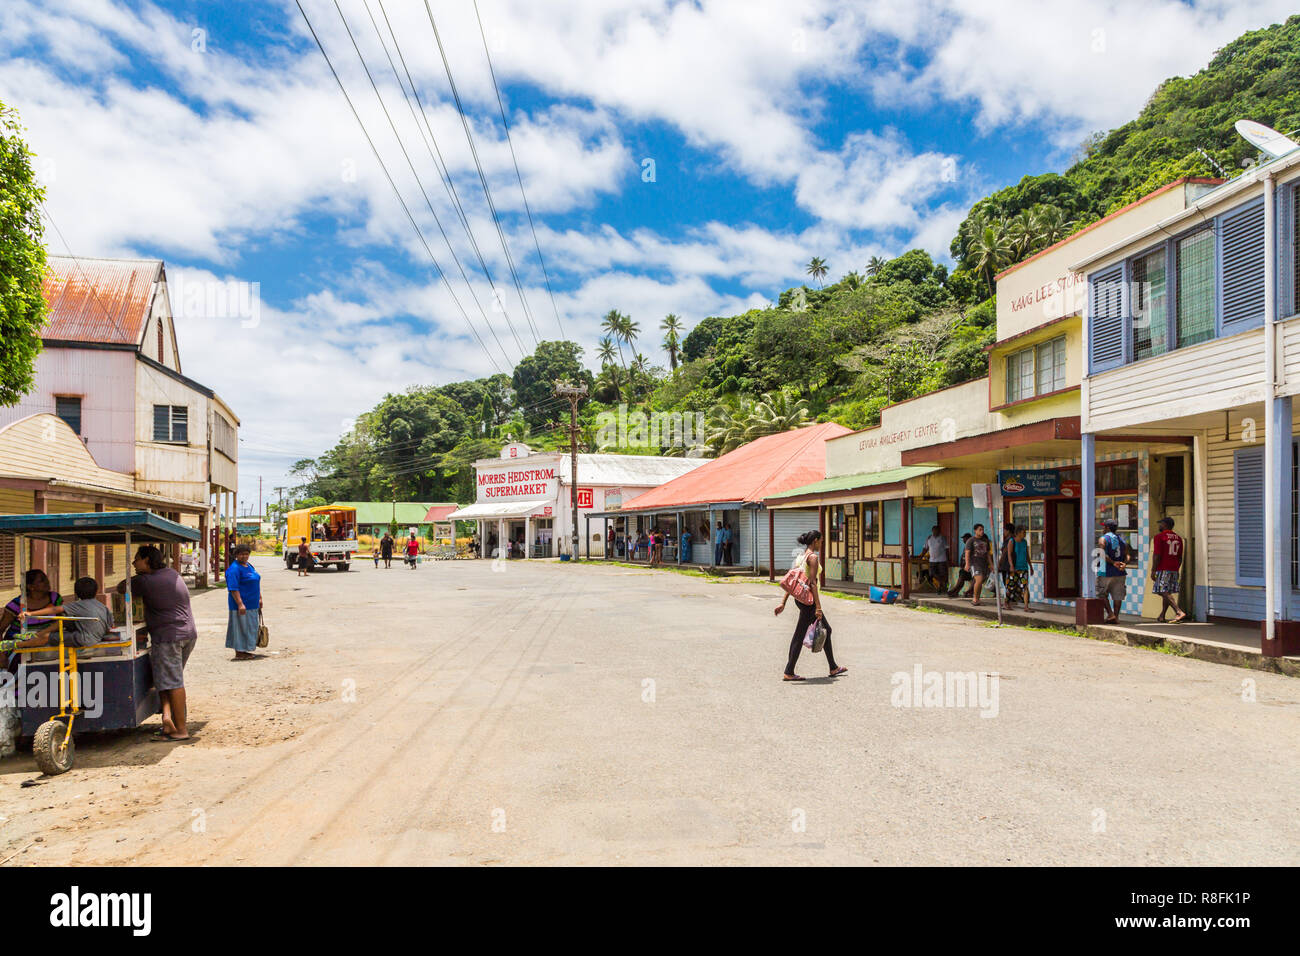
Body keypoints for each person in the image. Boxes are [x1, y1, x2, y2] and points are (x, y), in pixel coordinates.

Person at [117, 545, 198, 741]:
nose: (133, 564)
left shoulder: (145, 581)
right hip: (187, 633)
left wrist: (135, 577)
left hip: (169, 636)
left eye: (136, 559)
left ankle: (181, 730)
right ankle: (168, 719)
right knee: (166, 680)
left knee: (173, 682)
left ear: (146, 560)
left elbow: (121, 588)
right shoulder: (171, 573)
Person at [775, 530, 847, 682]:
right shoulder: (812, 558)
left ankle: (833, 667)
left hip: (801, 600)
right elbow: (812, 583)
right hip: (809, 602)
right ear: (815, 540)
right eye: (821, 541)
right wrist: (818, 607)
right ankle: (789, 671)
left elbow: (795, 582)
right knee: (800, 634)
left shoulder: (801, 557)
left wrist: (783, 602)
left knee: (826, 629)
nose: (822, 544)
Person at [13, 576, 111, 650]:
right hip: (96, 637)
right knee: (65, 620)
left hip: (85, 639)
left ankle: (18, 645)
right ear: (96, 591)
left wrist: (31, 614)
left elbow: (55, 610)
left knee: (48, 637)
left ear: (76, 593)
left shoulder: (78, 605)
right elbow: (109, 626)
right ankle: (37, 635)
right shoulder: (102, 606)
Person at [225, 544, 263, 661]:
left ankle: (245, 649)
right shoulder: (234, 569)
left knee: (250, 627)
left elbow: (255, 582)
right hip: (241, 605)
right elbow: (233, 588)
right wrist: (240, 603)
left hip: (252, 604)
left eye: (246, 554)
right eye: (241, 554)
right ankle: (240, 652)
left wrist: (260, 598)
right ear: (236, 555)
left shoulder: (249, 566)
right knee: (240, 628)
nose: (244, 556)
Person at [1150, 517, 1187, 623]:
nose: (1159, 526)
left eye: (1160, 524)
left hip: (1163, 568)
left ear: (1165, 524)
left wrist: (1153, 570)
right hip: (1174, 568)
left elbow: (1157, 554)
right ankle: (1162, 615)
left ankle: (1178, 611)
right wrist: (1176, 568)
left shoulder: (1159, 537)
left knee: (1162, 590)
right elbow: (1180, 557)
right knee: (1167, 592)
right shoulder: (1178, 538)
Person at [1098, 518, 1129, 624]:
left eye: (1104, 527)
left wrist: (1112, 562)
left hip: (1105, 571)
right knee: (1117, 595)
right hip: (1120, 572)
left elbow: (1101, 553)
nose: (1102, 528)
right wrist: (1124, 563)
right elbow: (1127, 555)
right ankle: (1116, 617)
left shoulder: (1103, 539)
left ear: (1107, 528)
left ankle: (1110, 614)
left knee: (1101, 593)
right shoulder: (1122, 540)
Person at [963, 524, 992, 606]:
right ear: (975, 531)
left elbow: (988, 554)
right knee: (979, 579)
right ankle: (975, 599)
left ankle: (977, 599)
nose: (982, 531)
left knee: (980, 581)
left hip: (984, 564)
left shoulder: (986, 541)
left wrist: (991, 565)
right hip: (974, 563)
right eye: (980, 529)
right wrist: (967, 564)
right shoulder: (971, 540)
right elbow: (967, 552)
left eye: (982, 529)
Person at [1008, 526, 1033, 612]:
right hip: (1014, 568)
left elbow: (1027, 555)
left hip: (1024, 568)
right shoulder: (1012, 541)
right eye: (1023, 532)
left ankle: (1026, 606)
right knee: (1011, 587)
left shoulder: (1024, 542)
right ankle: (1006, 603)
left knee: (1025, 587)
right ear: (1018, 533)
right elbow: (1009, 554)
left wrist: (1030, 566)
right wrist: (1011, 565)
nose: (1025, 534)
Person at [946, 533, 974, 598]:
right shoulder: (966, 546)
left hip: (971, 568)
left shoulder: (971, 546)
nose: (963, 540)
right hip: (965, 568)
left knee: (964, 576)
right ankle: (955, 591)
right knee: (961, 576)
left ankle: (957, 590)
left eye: (964, 538)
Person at [922, 525, 949, 592]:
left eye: (937, 530)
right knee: (932, 574)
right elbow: (925, 548)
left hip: (942, 560)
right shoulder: (929, 538)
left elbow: (947, 549)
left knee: (942, 574)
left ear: (939, 531)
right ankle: (941, 583)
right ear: (932, 531)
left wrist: (948, 559)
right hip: (932, 560)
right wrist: (921, 555)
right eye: (934, 530)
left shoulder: (942, 538)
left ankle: (941, 587)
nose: (935, 531)